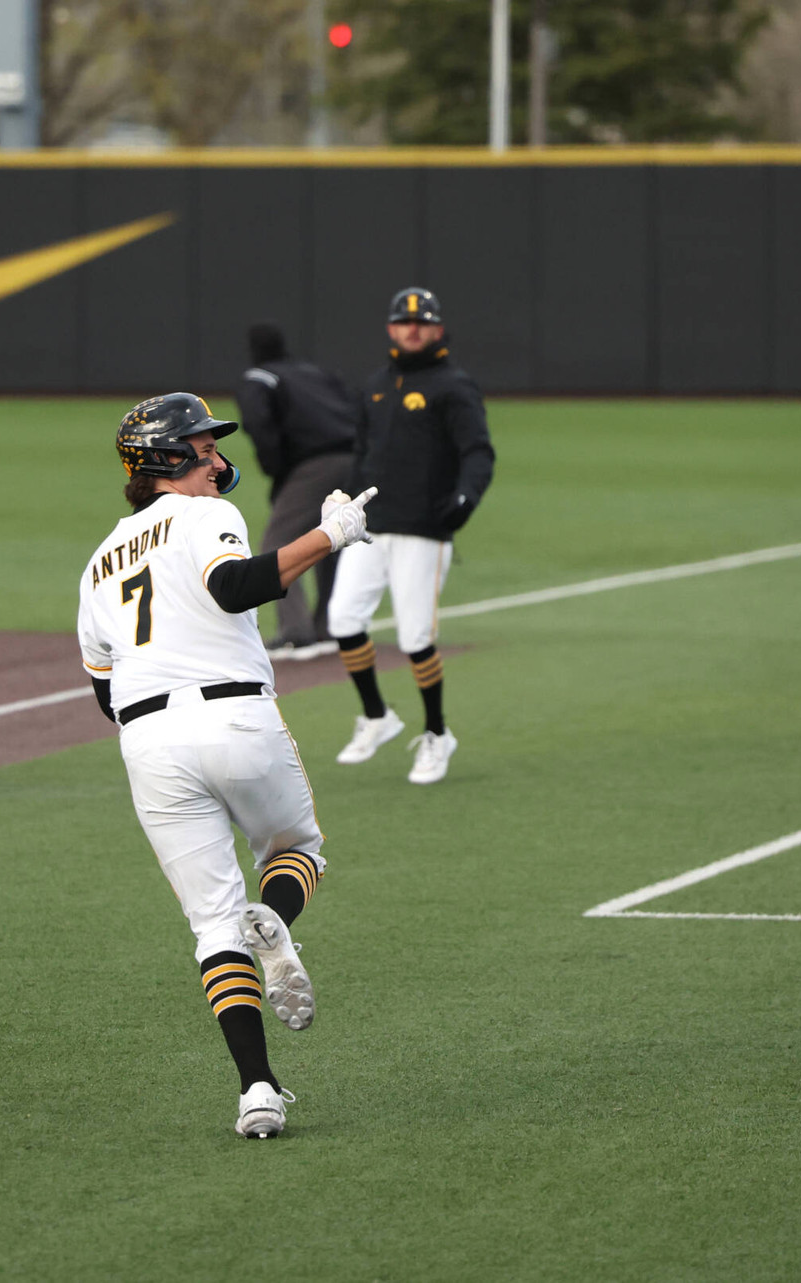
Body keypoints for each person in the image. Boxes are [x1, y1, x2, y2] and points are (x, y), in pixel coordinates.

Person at [76, 392, 376, 1139]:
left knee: (212, 925)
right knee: (296, 850)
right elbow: (236, 586)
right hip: (235, 714)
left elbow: (104, 691)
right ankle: (274, 920)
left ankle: (258, 1091)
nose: (215, 458)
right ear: (164, 459)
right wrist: (328, 534)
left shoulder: (96, 564)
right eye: (201, 445)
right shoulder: (206, 515)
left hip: (147, 741)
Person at [329, 286, 495, 786]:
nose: (413, 328)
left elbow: (478, 453)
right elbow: (362, 452)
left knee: (414, 637)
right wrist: (349, 497)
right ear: (391, 329)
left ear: (438, 329)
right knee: (342, 618)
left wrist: (465, 498)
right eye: (404, 321)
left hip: (425, 528)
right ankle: (378, 717)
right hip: (371, 527)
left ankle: (437, 734)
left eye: (422, 322)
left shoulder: (454, 386)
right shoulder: (376, 384)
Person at [233, 322, 359, 657]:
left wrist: (275, 468)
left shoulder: (259, 377)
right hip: (354, 458)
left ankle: (295, 631)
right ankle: (329, 626)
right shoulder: (315, 372)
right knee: (333, 537)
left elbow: (259, 423)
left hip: (314, 462)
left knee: (279, 541)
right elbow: (357, 407)